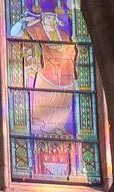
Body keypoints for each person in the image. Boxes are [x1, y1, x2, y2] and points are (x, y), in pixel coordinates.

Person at [9, 0, 78, 139]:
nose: (49, 20)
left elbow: (70, 49)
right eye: (46, 17)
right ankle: (39, 124)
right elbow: (14, 33)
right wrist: (23, 22)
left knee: (62, 99)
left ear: (56, 20)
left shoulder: (63, 35)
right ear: (42, 18)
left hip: (64, 76)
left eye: (52, 18)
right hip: (45, 74)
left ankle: (58, 126)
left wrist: (70, 48)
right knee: (43, 96)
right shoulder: (35, 31)